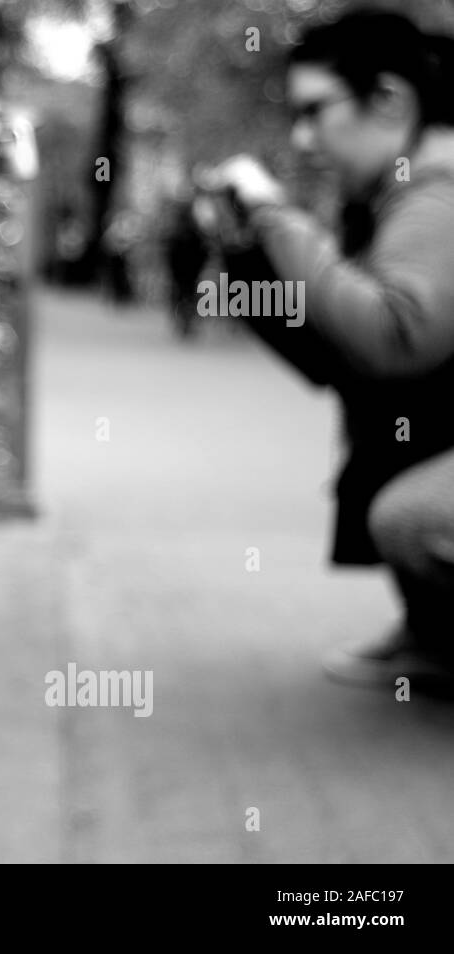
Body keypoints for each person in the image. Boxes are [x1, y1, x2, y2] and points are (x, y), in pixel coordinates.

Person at [205, 9, 454, 689]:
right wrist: (248, 261)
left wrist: (274, 214)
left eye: (316, 112)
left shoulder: (442, 189)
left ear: (389, 100)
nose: (303, 137)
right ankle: (436, 636)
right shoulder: (396, 192)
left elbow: (395, 339)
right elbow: (339, 364)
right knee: (387, 433)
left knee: (416, 517)